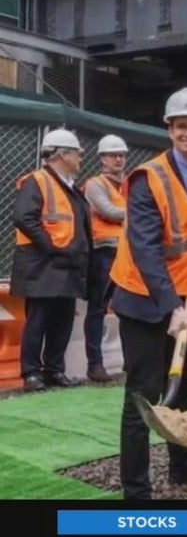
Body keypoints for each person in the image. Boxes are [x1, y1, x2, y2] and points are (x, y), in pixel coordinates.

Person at [109, 87, 187, 499]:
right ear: (169, 130)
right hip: (144, 301)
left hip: (183, 297)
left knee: (181, 387)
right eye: (181, 126)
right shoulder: (148, 179)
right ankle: (136, 490)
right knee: (143, 395)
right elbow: (146, 249)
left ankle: (183, 465)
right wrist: (172, 308)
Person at [12, 128, 90, 392]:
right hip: (43, 264)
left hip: (65, 264)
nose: (80, 158)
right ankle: (32, 373)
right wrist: (52, 247)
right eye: (77, 153)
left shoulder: (70, 187)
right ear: (63, 154)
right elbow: (24, 218)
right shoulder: (38, 181)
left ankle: (54, 370)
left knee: (62, 320)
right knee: (39, 319)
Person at [81, 134, 128, 383]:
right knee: (98, 308)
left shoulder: (127, 184)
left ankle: (131, 361)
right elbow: (108, 212)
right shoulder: (95, 184)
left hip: (126, 252)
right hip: (103, 251)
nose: (118, 159)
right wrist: (139, 212)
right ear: (102, 158)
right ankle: (95, 365)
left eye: (121, 155)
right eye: (113, 155)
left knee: (129, 307)